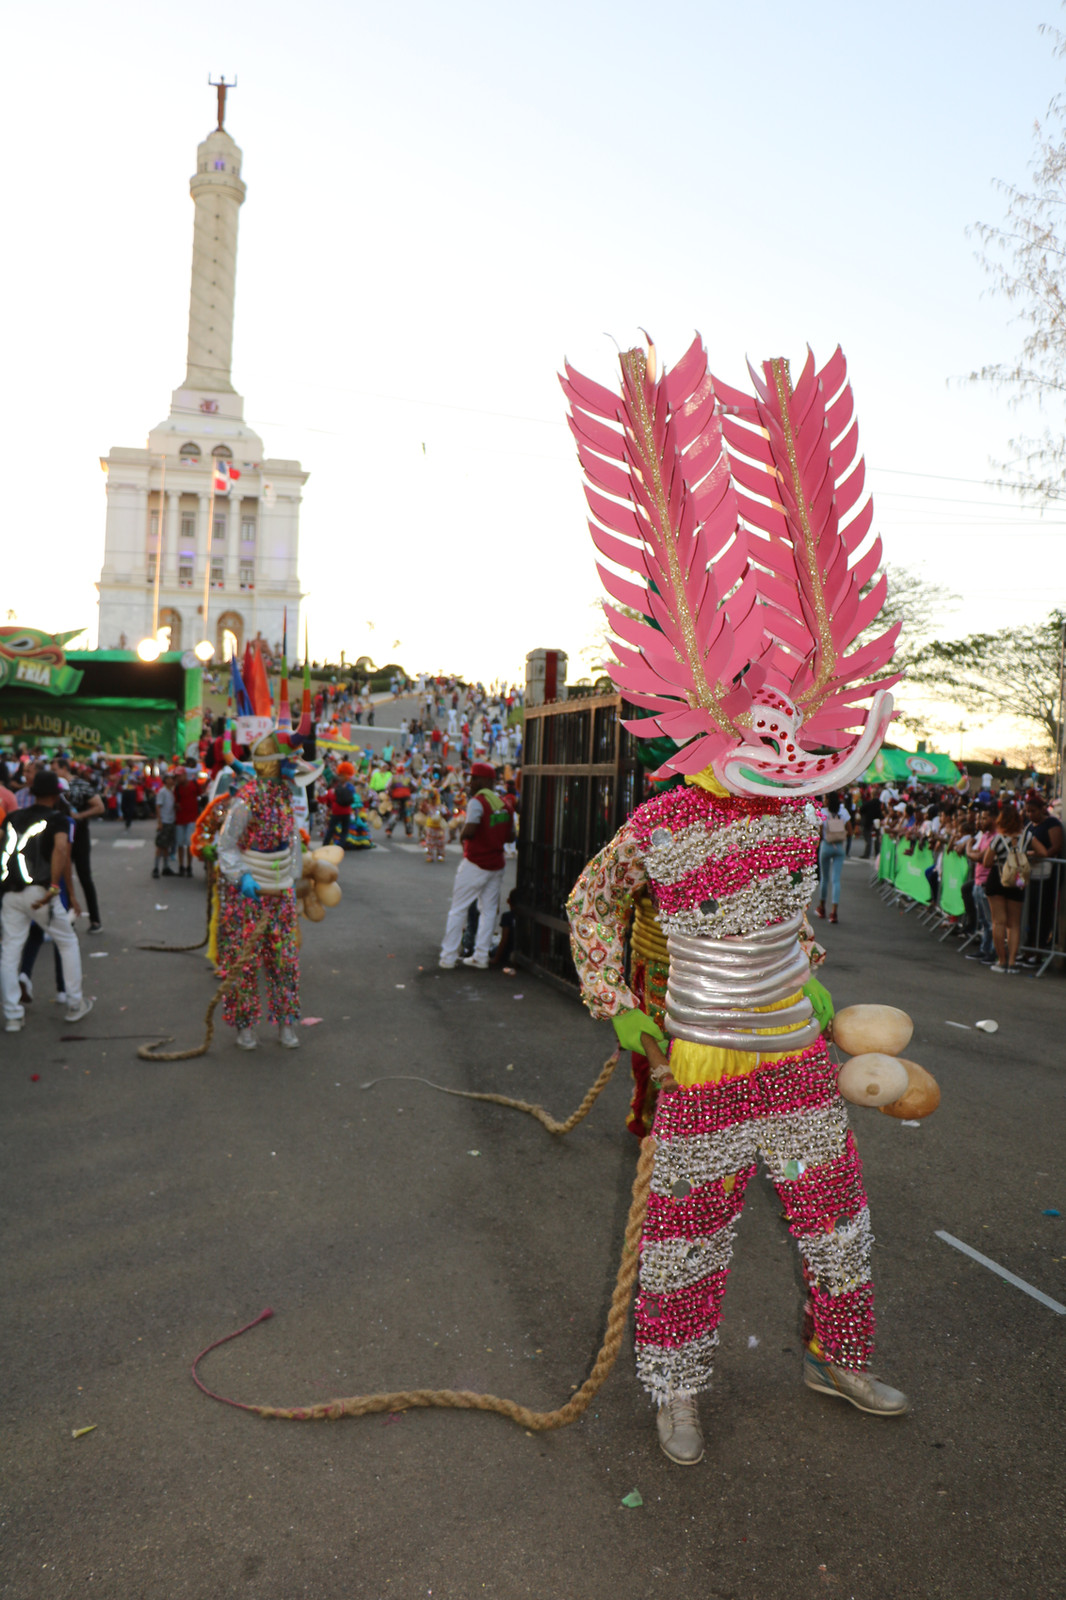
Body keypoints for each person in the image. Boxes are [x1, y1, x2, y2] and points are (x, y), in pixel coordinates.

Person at [563, 334, 907, 1468]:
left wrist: (807, 975)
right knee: (683, 1245)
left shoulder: (799, 814)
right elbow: (588, 899)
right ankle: (674, 1386)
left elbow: (790, 920)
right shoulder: (660, 825)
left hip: (797, 1055)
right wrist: (616, 997)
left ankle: (838, 1350)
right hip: (704, 1062)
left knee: (840, 1223)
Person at [1, 770, 93, 1030]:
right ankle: (75, 1003)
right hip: (40, 892)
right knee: (67, 942)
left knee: (9, 951)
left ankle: (13, 1015)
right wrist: (54, 887)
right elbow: (62, 849)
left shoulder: (12, 817)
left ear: (32, 792)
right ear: (55, 794)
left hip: (10, 893)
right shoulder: (58, 820)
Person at [439, 762, 514, 970]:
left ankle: (448, 957)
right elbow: (511, 835)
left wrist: (462, 835)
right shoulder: (504, 803)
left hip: (475, 863)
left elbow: (470, 830)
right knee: (489, 911)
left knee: (458, 909)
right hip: (496, 865)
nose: (471, 782)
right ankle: (481, 957)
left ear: (485, 781)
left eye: (474, 778)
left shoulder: (478, 802)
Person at [982, 801, 1032, 974]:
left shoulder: (998, 838)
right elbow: (1043, 852)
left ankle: (1001, 961)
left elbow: (987, 862)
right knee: (1014, 924)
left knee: (998, 922)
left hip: (998, 880)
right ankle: (1012, 962)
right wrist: (1026, 854)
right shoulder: (1027, 836)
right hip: (1017, 881)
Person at [816, 791, 851, 922]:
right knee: (836, 880)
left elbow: (819, 833)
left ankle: (822, 907)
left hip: (826, 845)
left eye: (825, 798)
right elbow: (850, 830)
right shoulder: (843, 812)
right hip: (839, 847)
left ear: (828, 800)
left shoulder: (823, 812)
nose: (824, 800)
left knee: (825, 878)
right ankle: (834, 912)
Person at [173, 763, 202, 877]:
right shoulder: (177, 788)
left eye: (179, 776)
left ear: (185, 775)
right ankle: (181, 866)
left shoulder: (194, 785)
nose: (178, 778)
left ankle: (189, 866)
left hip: (191, 819)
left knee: (189, 844)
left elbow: (201, 795)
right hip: (180, 819)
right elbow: (175, 801)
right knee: (180, 844)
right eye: (177, 776)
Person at [152, 774, 177, 879]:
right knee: (160, 845)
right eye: (171, 778)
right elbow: (158, 806)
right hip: (165, 821)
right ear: (166, 780)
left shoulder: (171, 792)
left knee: (166, 845)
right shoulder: (162, 792)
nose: (173, 780)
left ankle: (165, 867)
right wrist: (160, 822)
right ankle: (156, 868)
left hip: (171, 821)